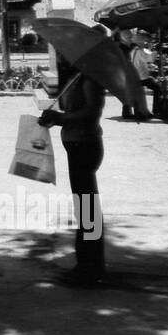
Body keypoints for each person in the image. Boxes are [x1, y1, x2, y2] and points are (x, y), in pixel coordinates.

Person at [38, 57, 107, 286]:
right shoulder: (77, 77)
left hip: (85, 145)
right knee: (83, 208)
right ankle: (86, 264)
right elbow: (73, 111)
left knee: (87, 209)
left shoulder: (91, 79)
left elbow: (91, 114)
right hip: (75, 144)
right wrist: (54, 118)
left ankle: (91, 268)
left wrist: (61, 118)